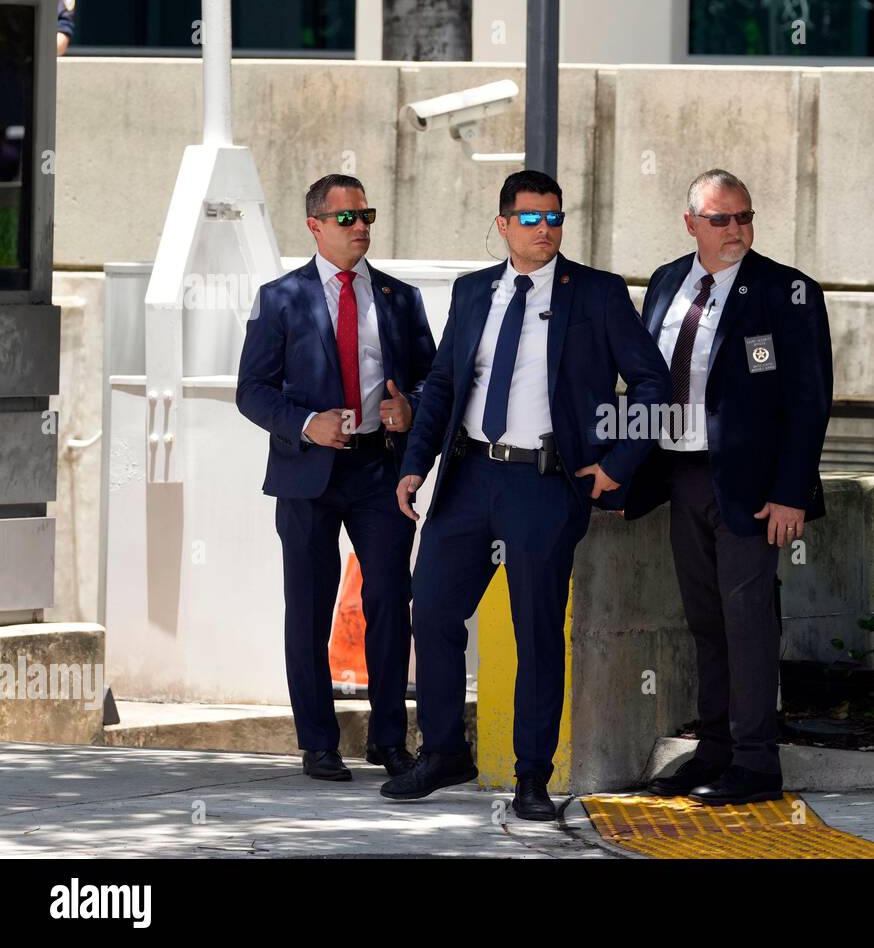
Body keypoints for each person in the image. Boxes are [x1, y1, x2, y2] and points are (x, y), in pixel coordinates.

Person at [380, 170, 670, 821]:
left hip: (544, 484)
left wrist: (616, 464)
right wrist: (415, 466)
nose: (545, 229)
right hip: (469, 480)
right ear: (504, 223)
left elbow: (652, 384)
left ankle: (532, 776)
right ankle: (446, 752)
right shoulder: (473, 290)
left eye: (554, 218)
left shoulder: (596, 293)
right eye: (531, 218)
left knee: (535, 630)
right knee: (429, 610)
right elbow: (445, 385)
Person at [623, 169, 833, 805]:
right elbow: (645, 377)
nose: (737, 229)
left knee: (748, 624)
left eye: (745, 217)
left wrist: (791, 491)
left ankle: (756, 763)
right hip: (680, 475)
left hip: (751, 487)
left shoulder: (787, 290)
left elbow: (808, 399)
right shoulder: (665, 282)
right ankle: (712, 751)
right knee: (706, 623)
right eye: (722, 220)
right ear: (692, 224)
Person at [236, 174, 435, 782]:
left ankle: (388, 740)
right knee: (310, 606)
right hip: (307, 475)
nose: (361, 227)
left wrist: (412, 407)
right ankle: (318, 742)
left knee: (388, 601)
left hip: (379, 469)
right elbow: (252, 391)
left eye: (366, 215)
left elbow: (432, 380)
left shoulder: (400, 299)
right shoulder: (281, 298)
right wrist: (305, 424)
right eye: (346, 218)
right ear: (315, 226)